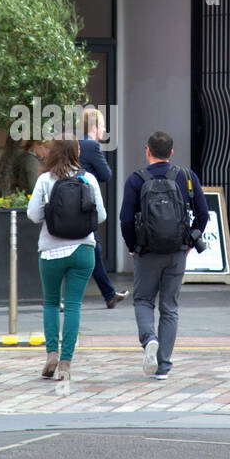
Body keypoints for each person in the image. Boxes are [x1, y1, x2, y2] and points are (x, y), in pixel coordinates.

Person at [119, 131, 208, 381]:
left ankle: (149, 339)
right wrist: (190, 242)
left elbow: (125, 219)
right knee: (170, 307)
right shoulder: (187, 177)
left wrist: (133, 246)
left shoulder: (136, 180)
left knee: (144, 300)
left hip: (146, 252)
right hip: (177, 251)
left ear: (147, 151)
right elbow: (203, 215)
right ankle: (163, 366)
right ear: (171, 153)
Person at [26, 137, 106, 381]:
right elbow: (101, 216)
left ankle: (51, 353)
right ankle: (66, 363)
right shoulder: (88, 179)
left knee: (51, 303)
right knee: (73, 306)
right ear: (77, 152)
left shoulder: (45, 179)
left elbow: (33, 215)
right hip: (83, 250)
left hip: (51, 250)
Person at [78, 106, 127, 309]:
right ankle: (108, 295)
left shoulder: (73, 142)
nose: (104, 131)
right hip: (84, 205)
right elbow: (106, 175)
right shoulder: (92, 146)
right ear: (95, 126)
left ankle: (109, 295)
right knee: (93, 249)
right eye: (103, 126)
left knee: (92, 249)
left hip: (67, 205)